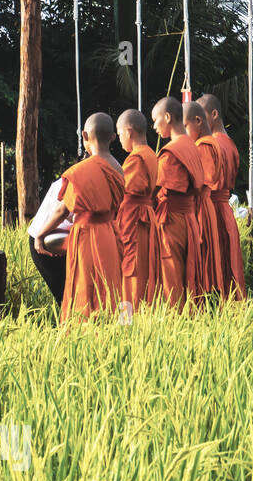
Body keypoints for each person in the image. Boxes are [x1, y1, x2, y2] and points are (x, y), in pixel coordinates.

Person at [34, 113, 125, 321]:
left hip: (86, 236)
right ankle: (115, 329)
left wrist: (40, 235)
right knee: (111, 285)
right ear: (112, 137)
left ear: (84, 135)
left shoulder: (80, 171)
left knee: (84, 285)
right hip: (110, 234)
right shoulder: (119, 170)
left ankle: (83, 330)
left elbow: (61, 210)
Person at [151, 96, 204, 309]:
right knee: (187, 271)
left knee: (171, 272)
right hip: (189, 217)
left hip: (172, 218)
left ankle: (176, 320)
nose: (154, 126)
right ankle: (190, 316)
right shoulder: (192, 145)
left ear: (167, 117)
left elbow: (153, 189)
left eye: (155, 120)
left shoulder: (172, 151)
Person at [197, 93, 247, 299]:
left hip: (210, 209)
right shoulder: (230, 143)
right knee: (228, 262)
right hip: (224, 208)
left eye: (200, 117)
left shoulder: (210, 144)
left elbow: (203, 182)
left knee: (213, 264)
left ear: (214, 114)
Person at [116, 108, 161, 311]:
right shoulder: (150, 154)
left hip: (133, 220)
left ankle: (128, 321)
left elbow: (120, 192)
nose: (119, 139)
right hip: (144, 217)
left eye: (119, 134)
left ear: (129, 131)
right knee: (144, 270)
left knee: (131, 272)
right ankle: (143, 315)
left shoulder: (136, 159)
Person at [183, 101, 224, 298]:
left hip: (201, 205)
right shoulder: (206, 143)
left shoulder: (204, 145)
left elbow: (204, 179)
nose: (182, 133)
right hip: (201, 204)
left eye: (184, 127)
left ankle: (206, 298)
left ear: (198, 121)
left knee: (204, 253)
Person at [26, 178, 71, 305]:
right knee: (66, 296)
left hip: (67, 240)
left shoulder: (102, 172)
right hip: (48, 242)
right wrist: (40, 236)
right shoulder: (76, 177)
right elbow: (62, 211)